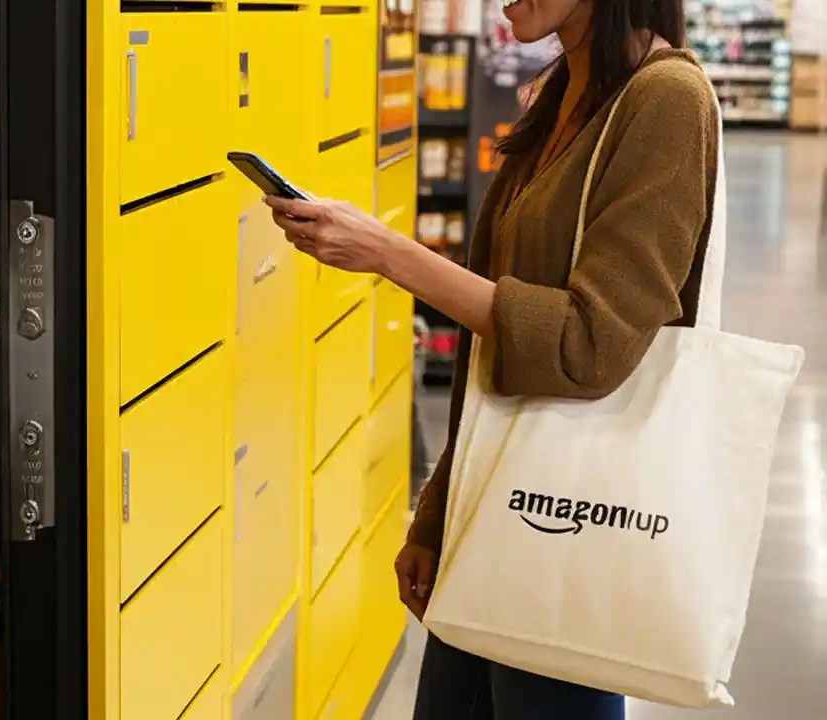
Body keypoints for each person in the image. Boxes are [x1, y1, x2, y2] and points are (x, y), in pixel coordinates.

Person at [264, 1, 718, 718]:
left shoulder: (666, 99)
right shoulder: (565, 91)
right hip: (497, 509)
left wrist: (388, 254)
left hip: (568, 523)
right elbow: (493, 351)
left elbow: (589, 344)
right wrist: (439, 513)